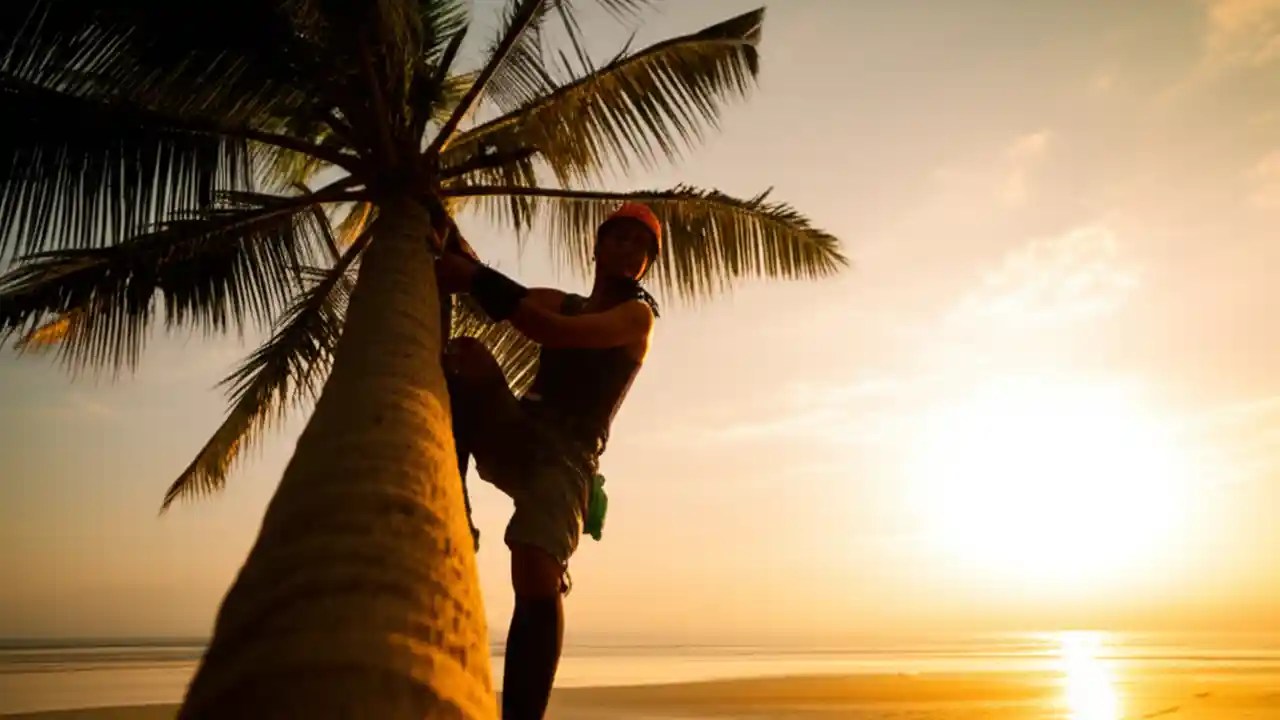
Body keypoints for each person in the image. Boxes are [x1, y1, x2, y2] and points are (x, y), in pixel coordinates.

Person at [434, 203, 662, 719]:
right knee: (466, 353)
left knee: (534, 570)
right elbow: (489, 297)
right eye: (619, 238)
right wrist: (443, 237)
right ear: (598, 247)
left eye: (640, 245)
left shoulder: (637, 316)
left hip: (568, 459)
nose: (628, 249)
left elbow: (547, 330)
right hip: (519, 432)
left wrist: (475, 274)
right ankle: (454, 498)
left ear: (646, 263)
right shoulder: (566, 300)